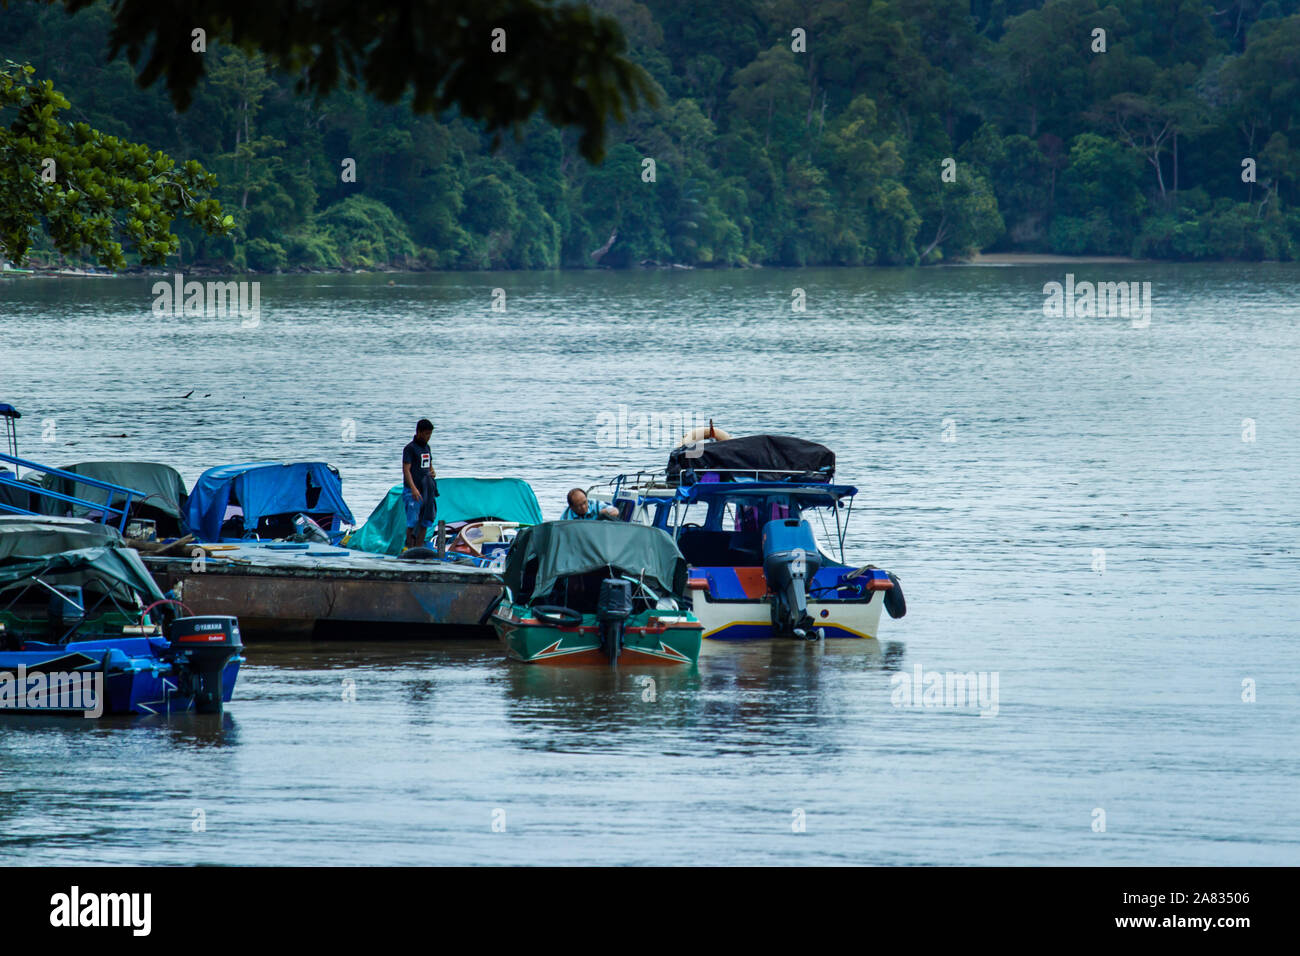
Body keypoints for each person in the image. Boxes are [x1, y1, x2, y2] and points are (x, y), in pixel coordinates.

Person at [402, 419, 438, 550]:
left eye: (430, 434)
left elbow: (429, 465)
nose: (428, 437)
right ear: (419, 432)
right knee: (413, 522)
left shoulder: (427, 447)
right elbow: (406, 470)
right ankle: (410, 549)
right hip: (413, 491)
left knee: (425, 521)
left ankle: (418, 549)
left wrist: (432, 472)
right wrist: (413, 488)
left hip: (426, 490)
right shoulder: (410, 448)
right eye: (426, 434)